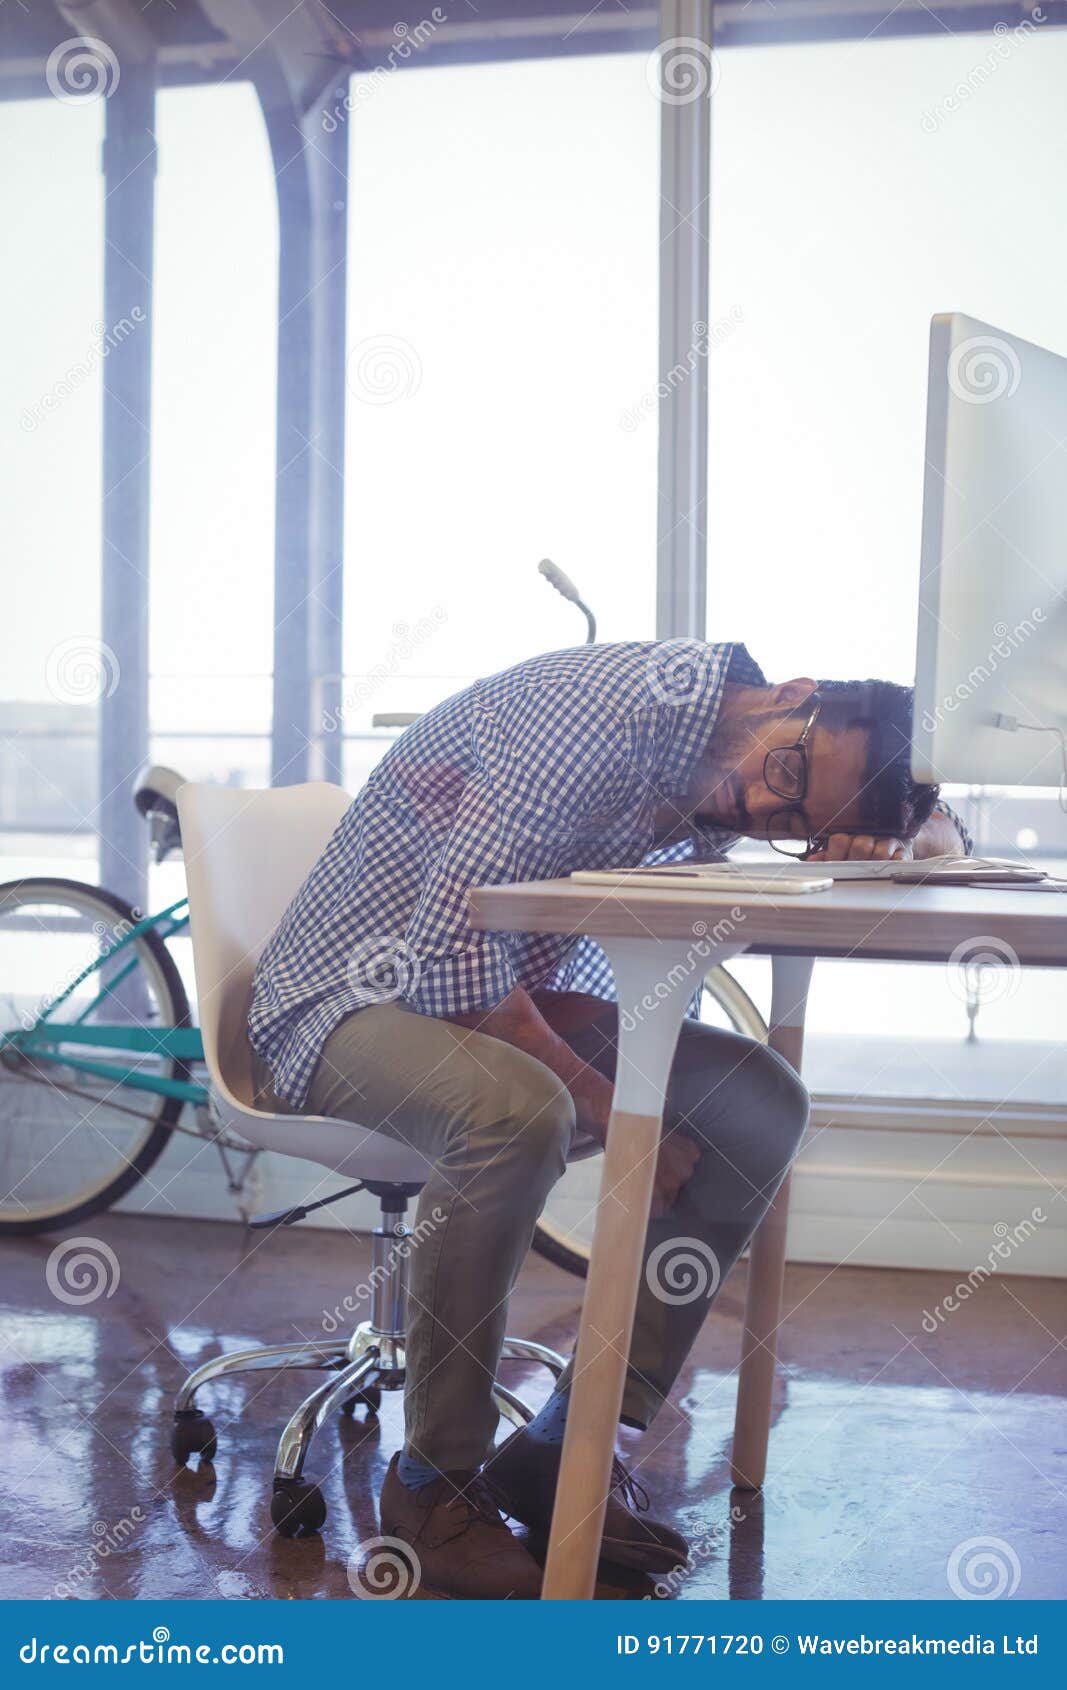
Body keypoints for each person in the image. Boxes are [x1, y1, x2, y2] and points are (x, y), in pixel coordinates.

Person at [248, 639, 970, 1598]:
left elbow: (948, 832)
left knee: (758, 1105)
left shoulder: (744, 756)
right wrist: (620, 1118)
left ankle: (566, 1448)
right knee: (518, 1111)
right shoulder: (592, 719)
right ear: (790, 693)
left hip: (522, 999)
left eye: (793, 823)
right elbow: (453, 971)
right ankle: (431, 1485)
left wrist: (903, 838)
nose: (761, 809)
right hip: (349, 1002)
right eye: (787, 775)